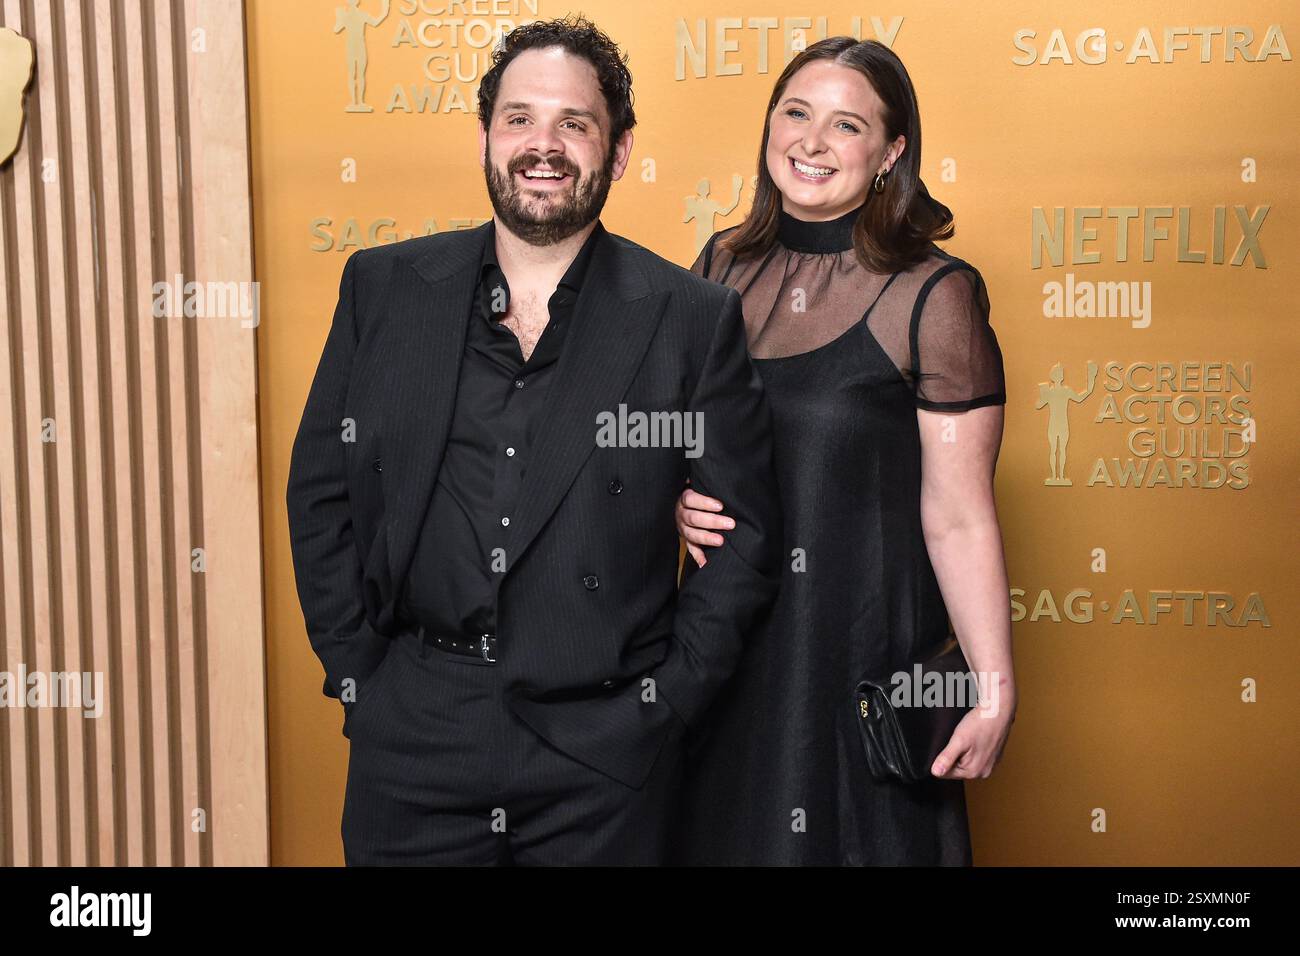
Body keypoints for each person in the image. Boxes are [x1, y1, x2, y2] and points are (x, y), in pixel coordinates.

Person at [286, 15, 782, 865]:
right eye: (518, 119)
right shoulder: (385, 289)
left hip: (604, 755)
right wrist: (362, 680)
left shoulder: (691, 320)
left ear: (618, 151)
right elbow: (321, 492)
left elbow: (744, 542)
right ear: (485, 136)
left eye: (574, 124)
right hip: (414, 739)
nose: (542, 146)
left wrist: (663, 709)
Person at [670, 37, 1016, 865]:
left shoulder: (935, 294)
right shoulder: (720, 265)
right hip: (722, 652)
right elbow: (674, 432)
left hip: (857, 659)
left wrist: (993, 688)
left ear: (892, 152)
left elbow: (959, 514)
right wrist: (672, 496)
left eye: (847, 125)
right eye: (796, 113)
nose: (812, 142)